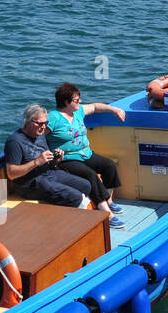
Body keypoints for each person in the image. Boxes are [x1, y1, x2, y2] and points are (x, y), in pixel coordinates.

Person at [46, 83, 127, 229]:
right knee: (90, 175)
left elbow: (95, 107)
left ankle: (108, 199)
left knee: (109, 165)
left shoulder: (78, 112)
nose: (80, 102)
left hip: (85, 154)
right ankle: (106, 214)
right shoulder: (53, 118)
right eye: (77, 100)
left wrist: (114, 109)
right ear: (66, 102)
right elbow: (38, 131)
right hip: (67, 159)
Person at [4, 104, 93, 209]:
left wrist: (56, 160)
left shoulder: (40, 135)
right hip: (30, 184)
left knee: (85, 186)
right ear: (28, 122)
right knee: (76, 197)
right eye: (40, 124)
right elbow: (11, 173)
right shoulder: (15, 142)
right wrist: (37, 162)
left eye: (45, 123)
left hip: (48, 174)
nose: (43, 127)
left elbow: (50, 163)